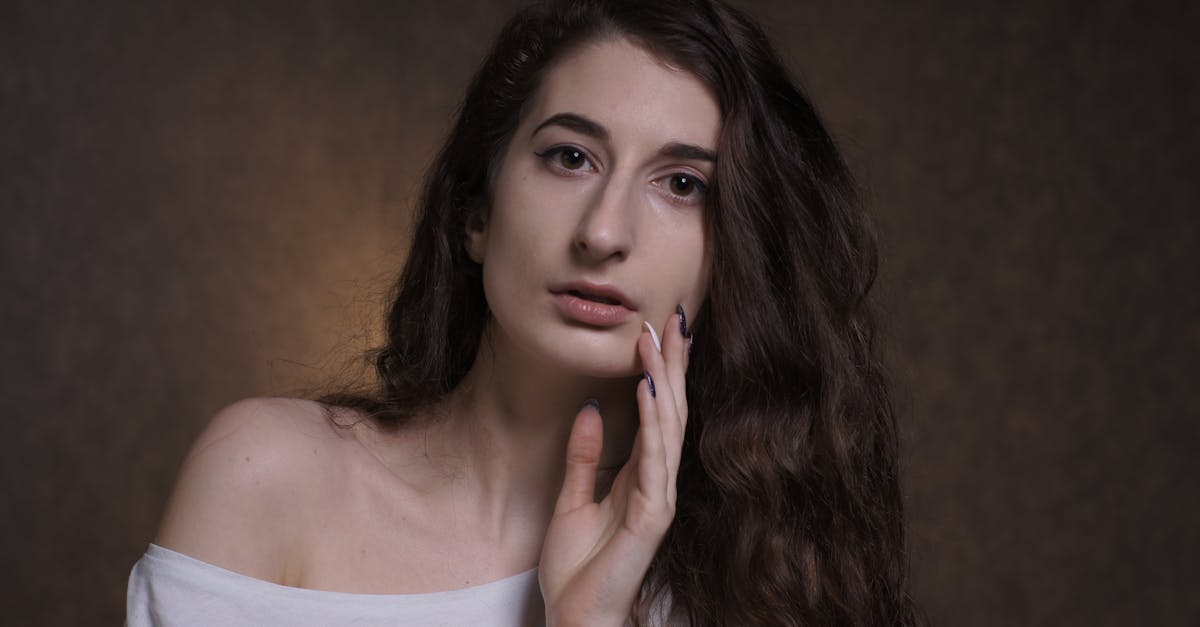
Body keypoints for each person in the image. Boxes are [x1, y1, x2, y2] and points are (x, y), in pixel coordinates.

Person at [126, 0, 920, 625]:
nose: (604, 233)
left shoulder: (769, 585)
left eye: (683, 184)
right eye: (570, 157)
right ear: (477, 212)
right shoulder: (268, 476)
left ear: (738, 254)